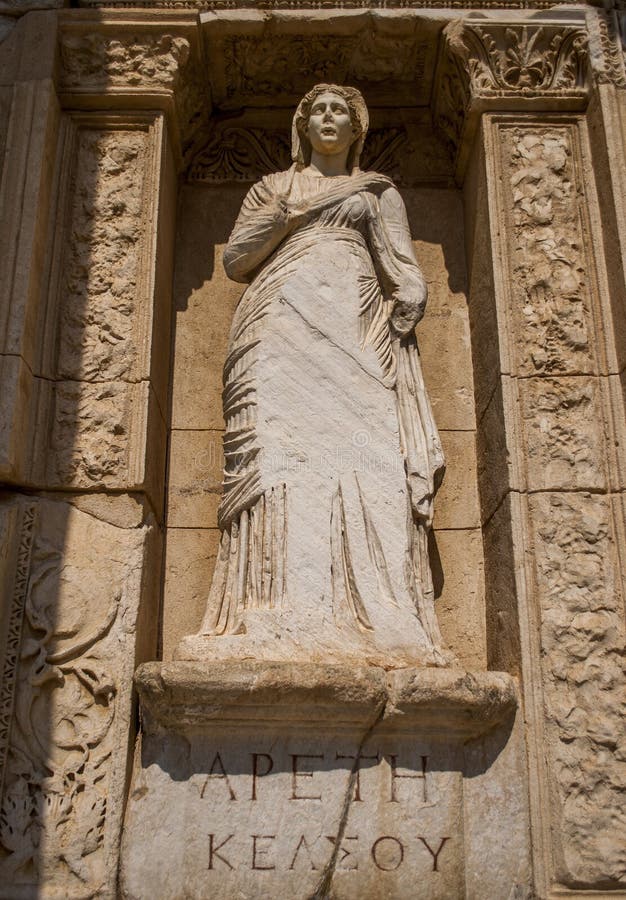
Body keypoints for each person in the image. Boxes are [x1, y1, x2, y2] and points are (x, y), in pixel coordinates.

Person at [190, 84, 448, 667]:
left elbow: (403, 267)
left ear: (357, 129)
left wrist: (410, 297)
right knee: (279, 459)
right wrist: (287, 215)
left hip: (355, 327)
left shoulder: (378, 191)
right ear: (302, 126)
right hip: (276, 323)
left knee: (367, 458)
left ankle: (384, 612)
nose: (328, 119)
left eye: (340, 112)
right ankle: (274, 606)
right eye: (318, 111)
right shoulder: (273, 188)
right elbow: (236, 261)